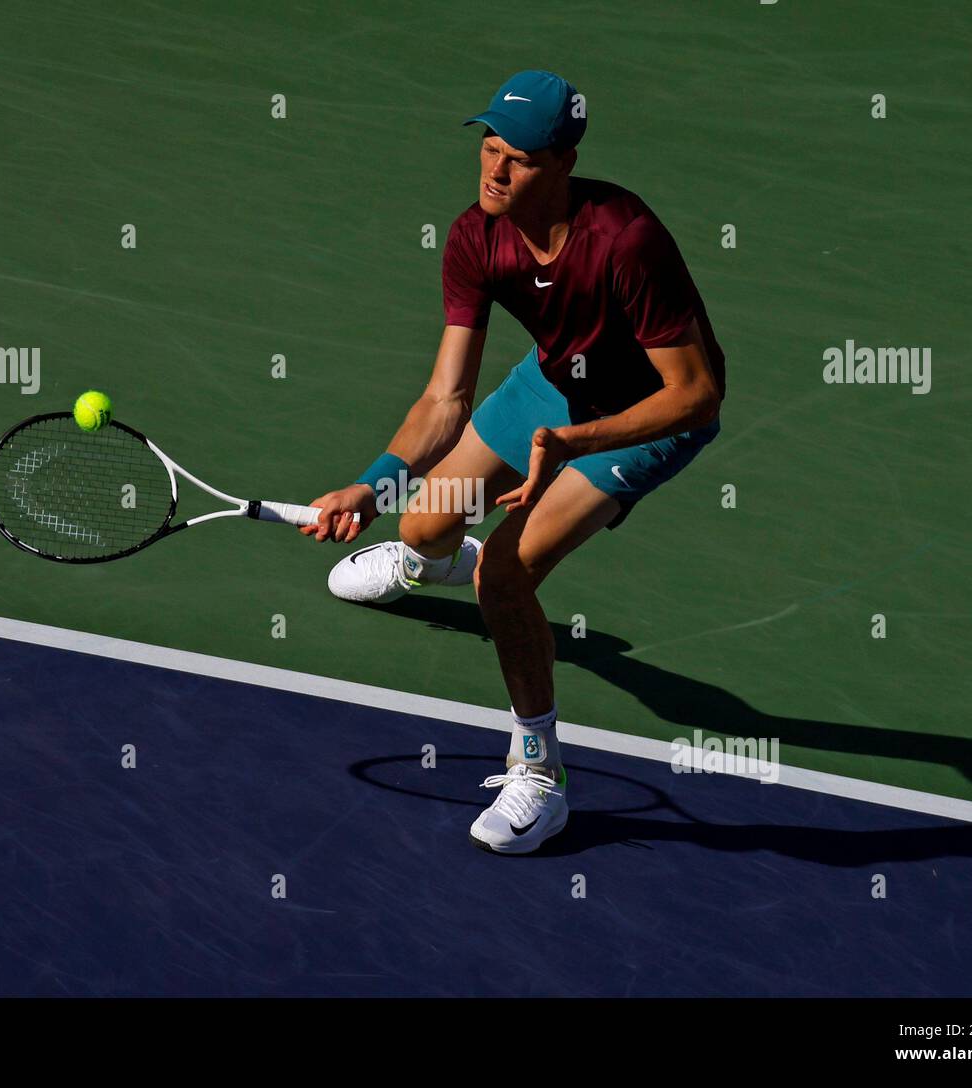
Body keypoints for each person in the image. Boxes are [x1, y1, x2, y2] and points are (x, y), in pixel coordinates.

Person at [302, 70, 726, 854]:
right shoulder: (476, 236)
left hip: (644, 420)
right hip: (554, 385)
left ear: (563, 162)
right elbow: (445, 400)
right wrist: (372, 485)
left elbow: (697, 396)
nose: (495, 170)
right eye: (489, 148)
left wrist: (573, 445)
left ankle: (542, 774)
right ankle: (428, 563)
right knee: (425, 519)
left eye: (518, 159)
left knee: (504, 573)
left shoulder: (625, 240)